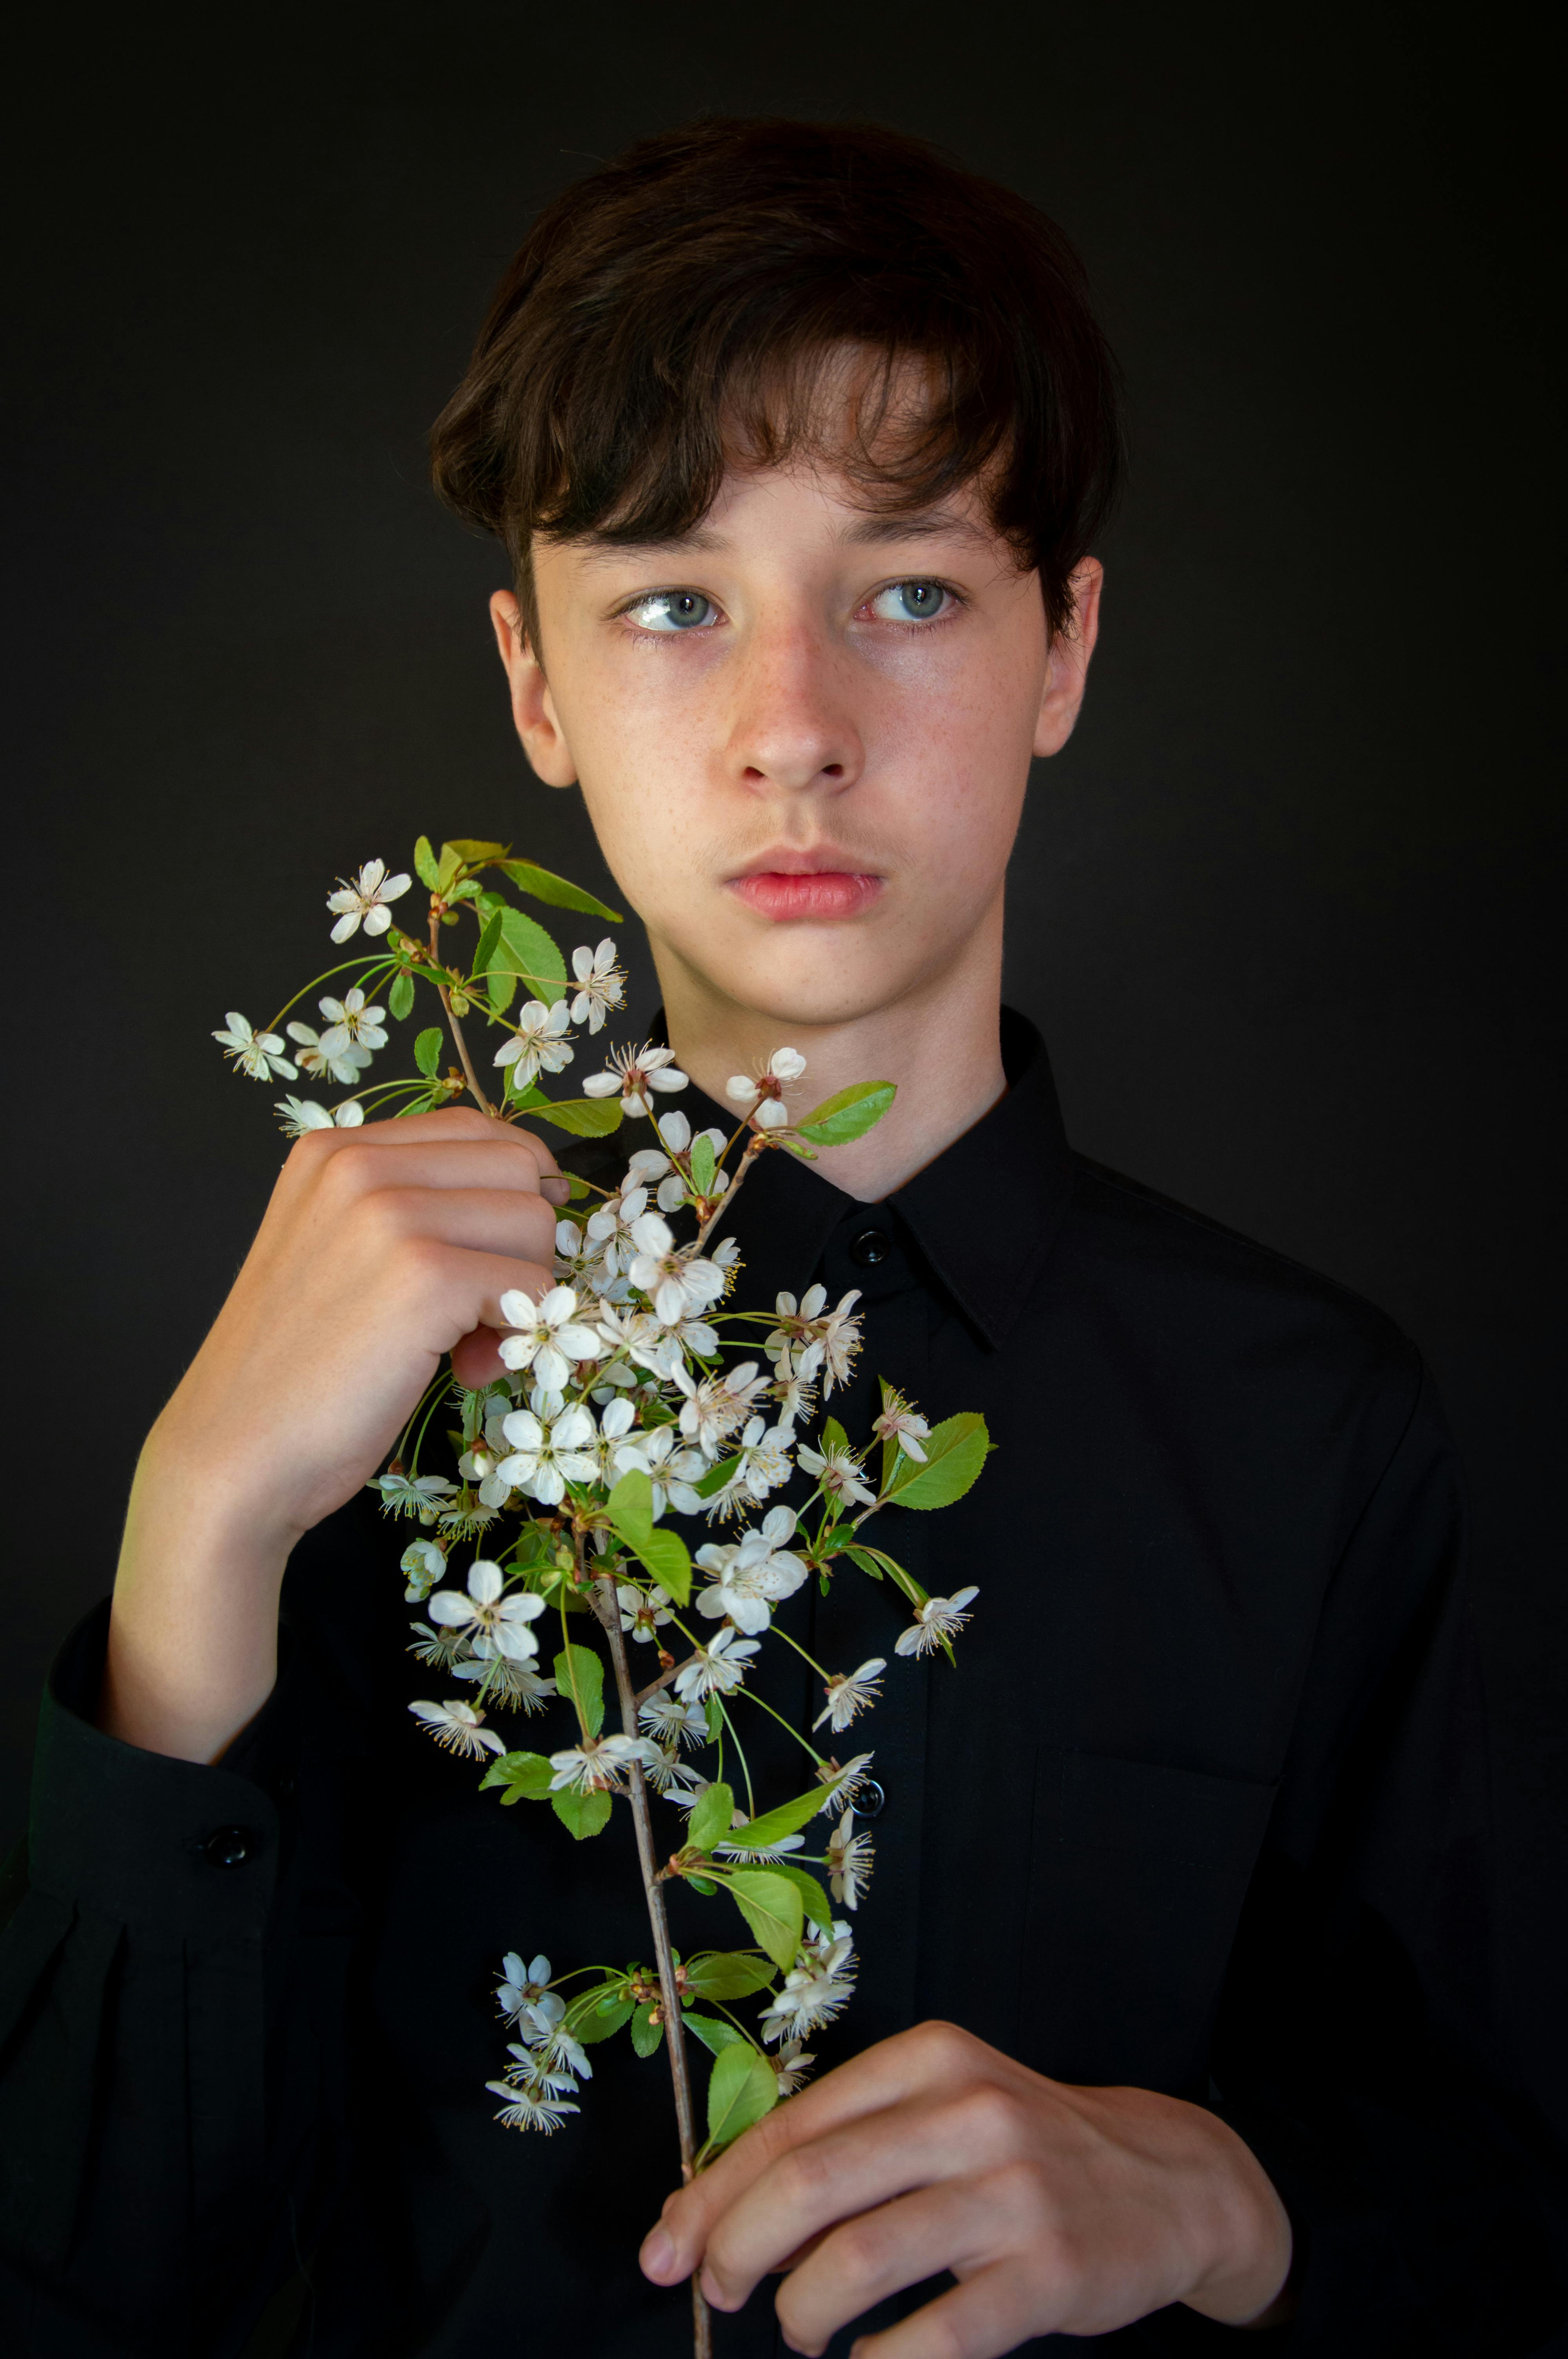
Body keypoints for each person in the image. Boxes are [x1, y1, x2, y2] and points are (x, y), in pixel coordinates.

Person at [0, 116, 1560, 2359]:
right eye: (671, 602)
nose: (792, 735)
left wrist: (1225, 2192)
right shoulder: (361, 1394)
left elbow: (1499, 2212)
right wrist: (201, 1524)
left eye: (908, 591)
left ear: (1064, 649)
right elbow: (95, 2287)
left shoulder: (1310, 1424)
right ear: (538, 687)